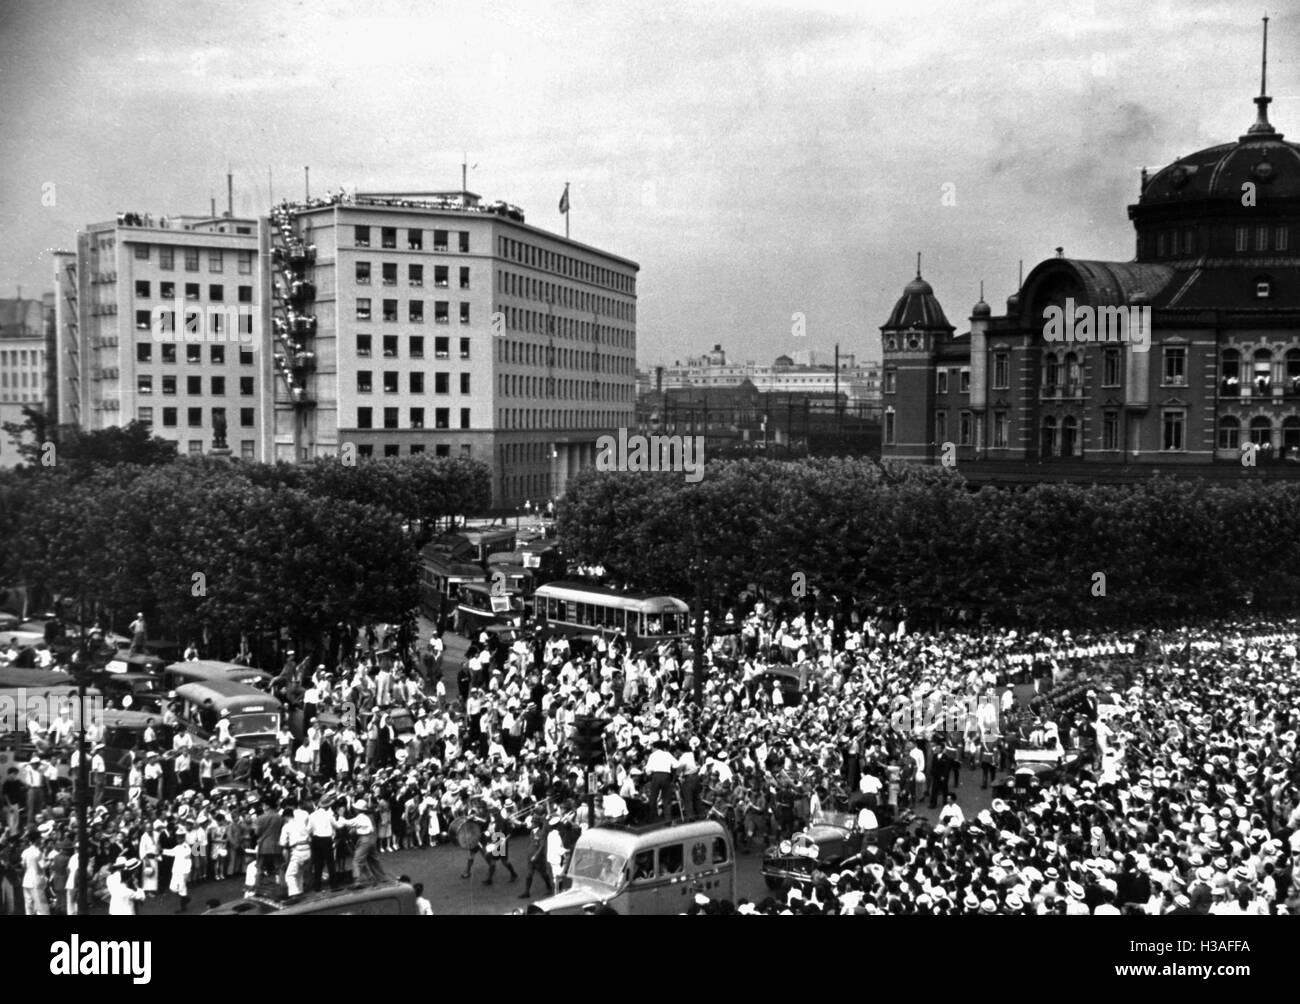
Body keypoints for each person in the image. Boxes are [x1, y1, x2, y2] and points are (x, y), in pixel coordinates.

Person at [20, 831, 48, 915]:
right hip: (36, 881)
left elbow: (23, 866)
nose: (41, 840)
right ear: (36, 840)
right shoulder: (38, 852)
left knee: (29, 907)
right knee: (42, 906)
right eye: (40, 839)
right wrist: (50, 861)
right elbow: (43, 866)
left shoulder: (25, 852)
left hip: (26, 880)